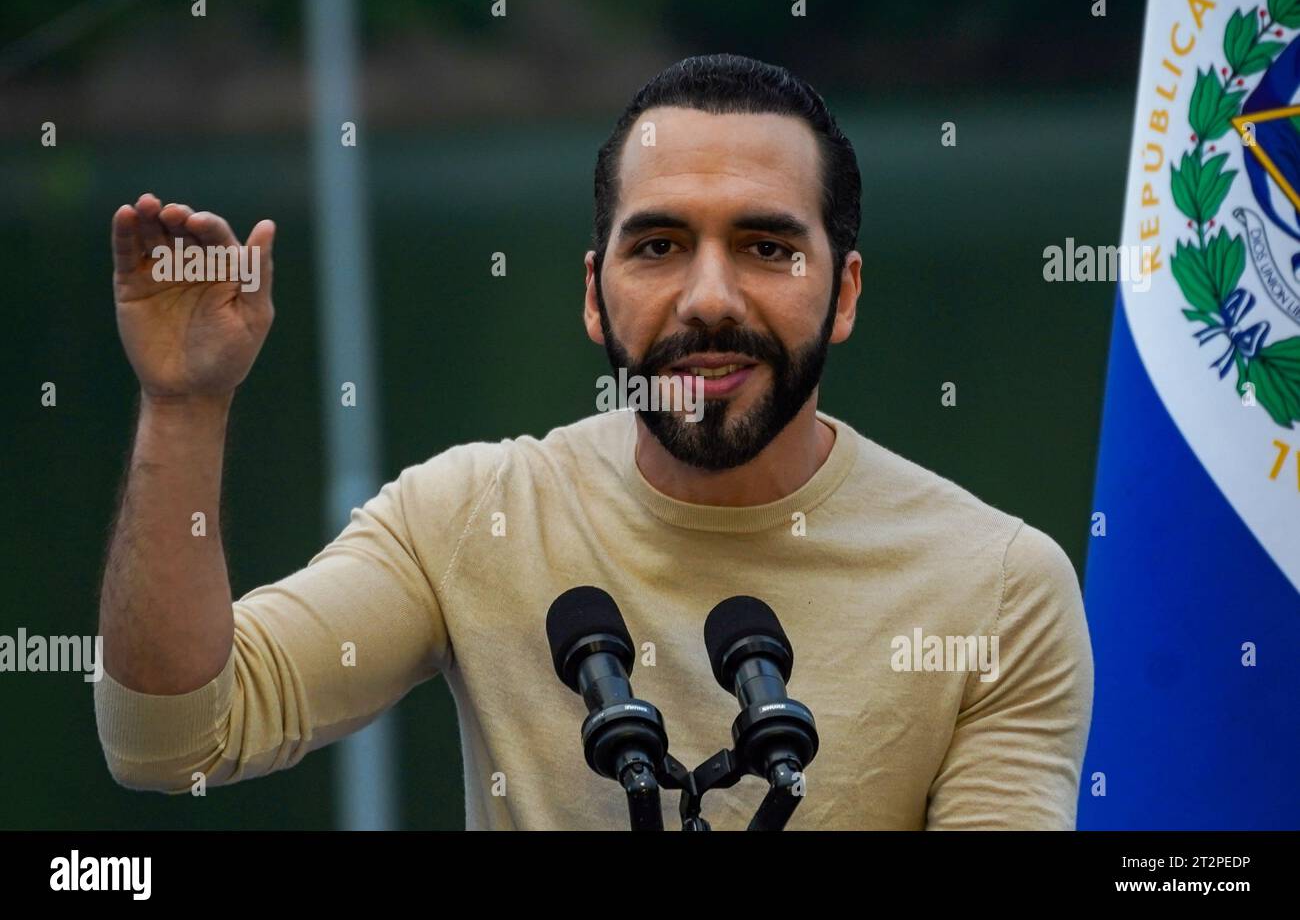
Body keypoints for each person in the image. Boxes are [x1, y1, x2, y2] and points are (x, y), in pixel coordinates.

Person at [95, 53, 1093, 829]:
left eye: (767, 247)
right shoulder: (470, 514)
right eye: (658, 246)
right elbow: (169, 739)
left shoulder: (996, 585)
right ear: (591, 292)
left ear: (846, 294)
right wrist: (184, 406)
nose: (707, 297)